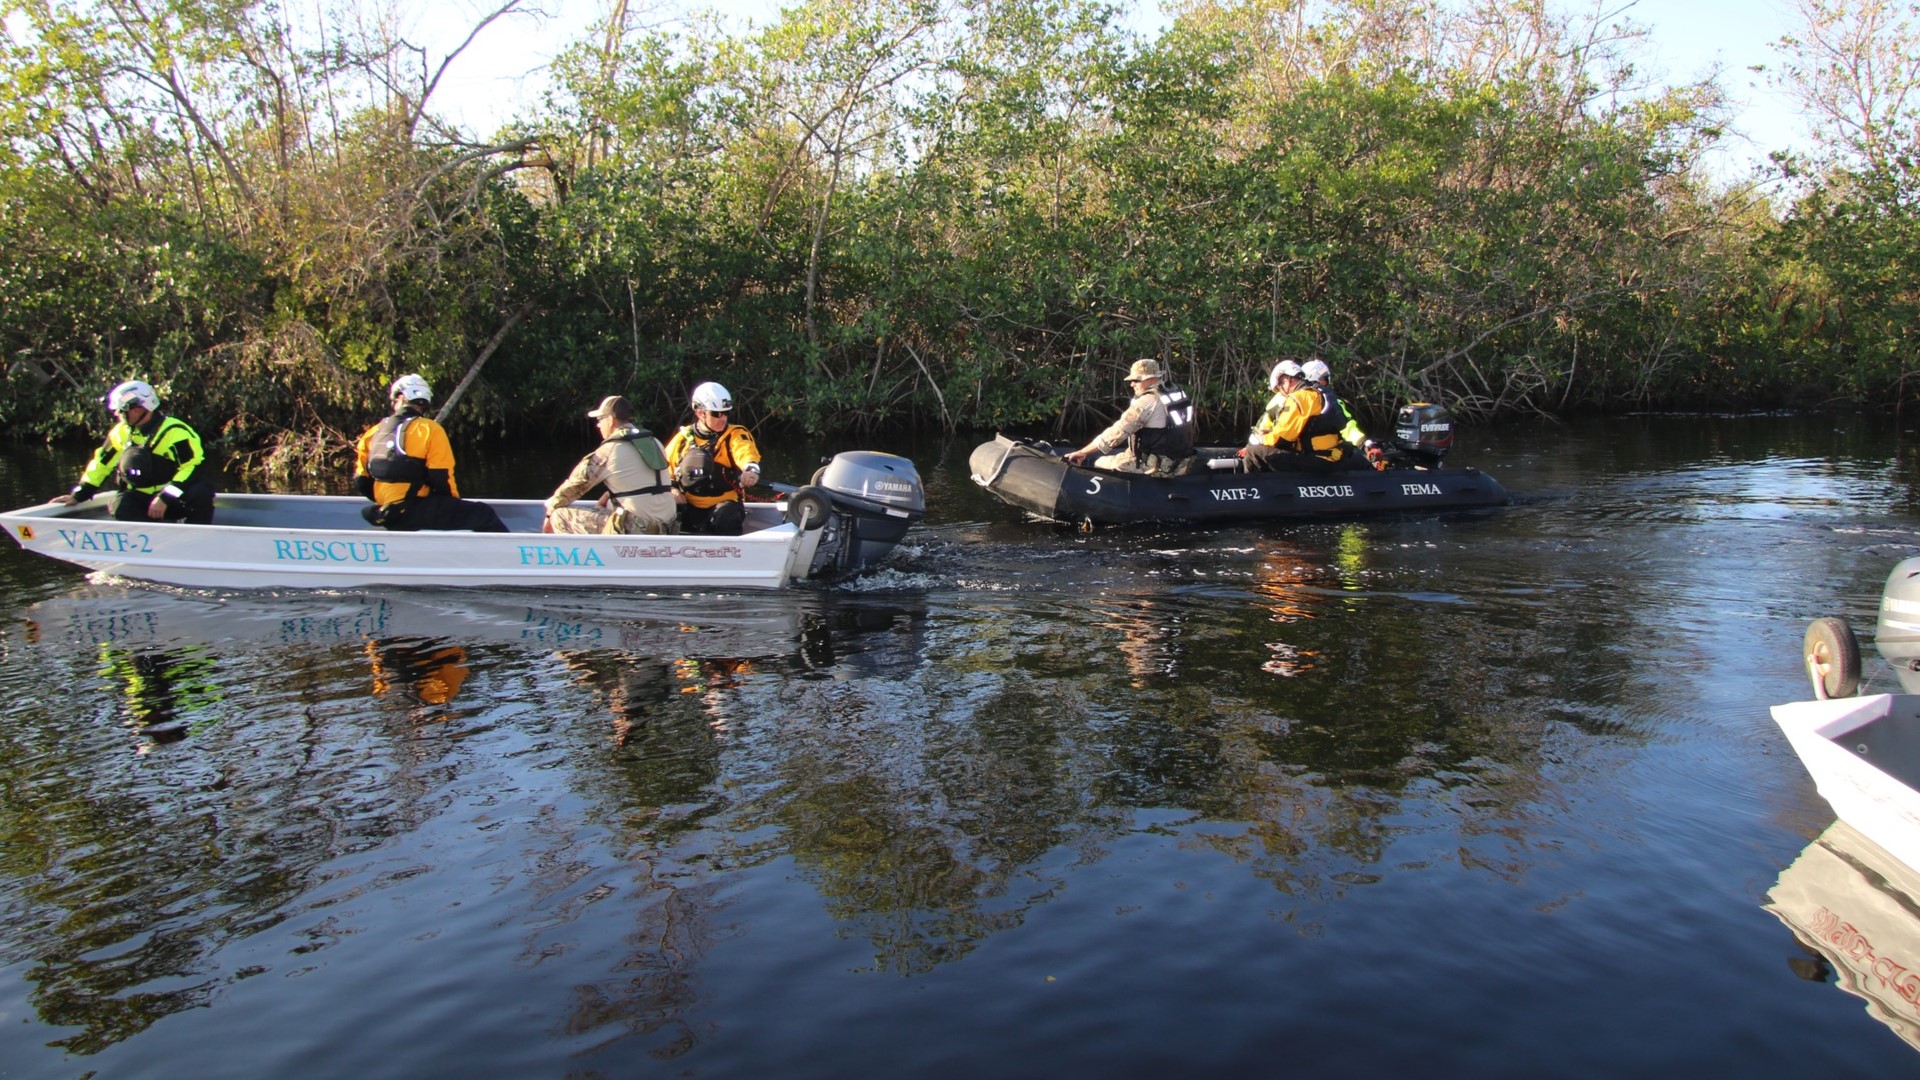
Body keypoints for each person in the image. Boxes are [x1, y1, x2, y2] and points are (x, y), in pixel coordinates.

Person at [353, 373, 508, 532]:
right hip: (413, 510)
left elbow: (361, 481)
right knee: (483, 514)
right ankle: (511, 555)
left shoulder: (373, 432)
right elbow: (441, 477)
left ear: (399, 398)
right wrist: (451, 504)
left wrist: (387, 502)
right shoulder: (429, 429)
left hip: (387, 512)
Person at [51, 379, 217, 523]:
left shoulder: (175, 432)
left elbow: (192, 467)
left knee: (200, 492)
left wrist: (165, 497)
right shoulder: (121, 432)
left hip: (173, 499)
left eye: (122, 411)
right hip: (143, 498)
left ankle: (195, 534)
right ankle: (153, 538)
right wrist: (81, 493)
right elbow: (102, 463)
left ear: (138, 408)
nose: (118, 416)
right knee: (120, 505)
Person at [543, 395, 677, 535]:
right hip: (666, 528)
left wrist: (549, 514)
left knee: (559, 516)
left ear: (611, 419)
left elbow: (574, 487)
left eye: (600, 419)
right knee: (605, 503)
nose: (598, 425)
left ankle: (585, 557)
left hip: (636, 530)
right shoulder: (655, 442)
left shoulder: (609, 449)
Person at [1063, 358, 1196, 475]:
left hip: (1157, 467)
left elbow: (1117, 432)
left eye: (1136, 380)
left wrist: (1084, 452)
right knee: (1123, 455)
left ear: (1151, 378)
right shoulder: (1176, 392)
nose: (1132, 384)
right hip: (1180, 461)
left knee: (1099, 462)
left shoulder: (1147, 401)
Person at [663, 381, 762, 536]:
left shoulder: (735, 434)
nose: (723, 419)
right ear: (700, 413)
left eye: (726, 413)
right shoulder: (682, 439)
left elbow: (745, 451)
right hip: (689, 507)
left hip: (724, 505)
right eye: (716, 414)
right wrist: (673, 489)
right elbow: (664, 471)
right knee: (667, 508)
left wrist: (751, 469)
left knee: (727, 515)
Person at [1242, 358, 1353, 473]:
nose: (1281, 390)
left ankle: (1254, 489)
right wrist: (1271, 433)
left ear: (1288, 379)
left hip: (1318, 461)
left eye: (1280, 384)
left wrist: (1262, 438)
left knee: (1253, 452)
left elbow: (1282, 439)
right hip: (1331, 457)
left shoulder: (1297, 398)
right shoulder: (1320, 394)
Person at [1301, 358, 1387, 469]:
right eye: (1325, 379)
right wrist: (1367, 445)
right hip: (1325, 458)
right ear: (1318, 380)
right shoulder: (1330, 401)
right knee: (1363, 463)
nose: (1326, 383)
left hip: (1300, 455)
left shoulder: (1292, 400)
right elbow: (1348, 428)